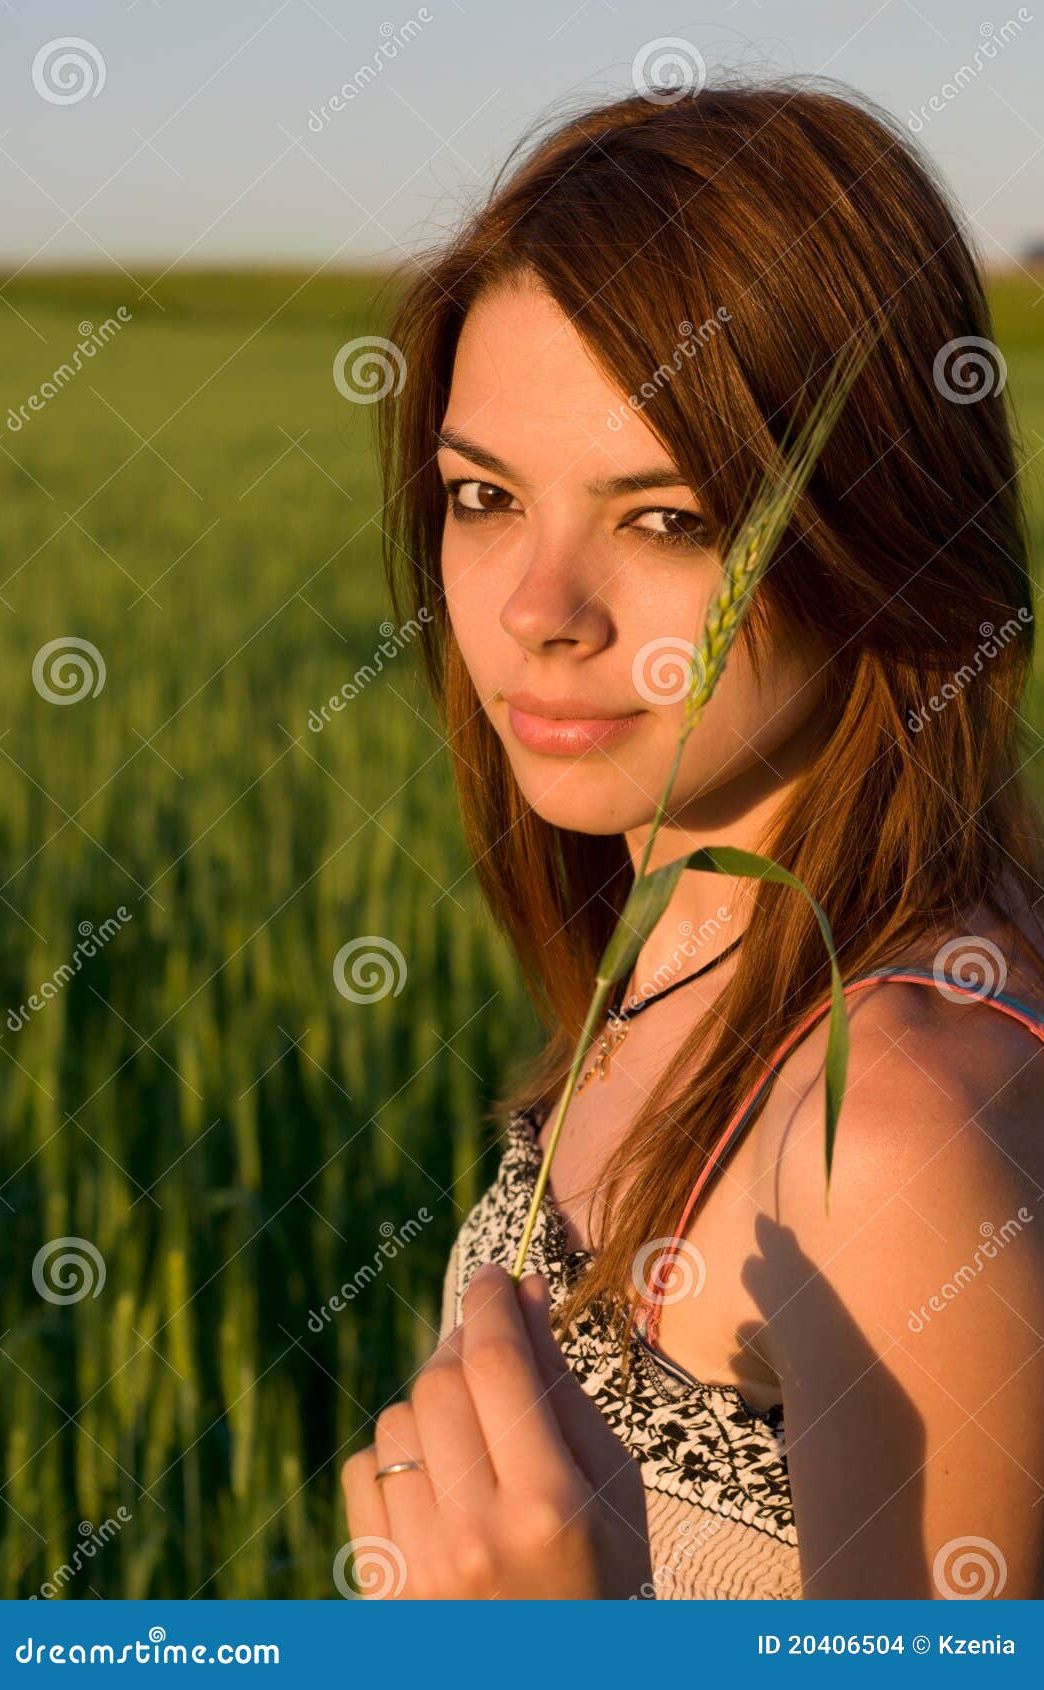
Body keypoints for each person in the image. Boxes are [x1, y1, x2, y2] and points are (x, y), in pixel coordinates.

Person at [341, 77, 1044, 1599]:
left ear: (881, 519)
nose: (538, 613)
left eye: (669, 516)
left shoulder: (889, 1133)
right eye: (481, 496)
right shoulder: (684, 930)